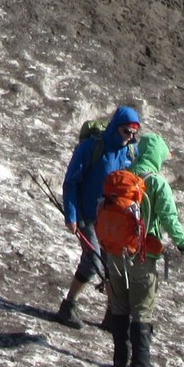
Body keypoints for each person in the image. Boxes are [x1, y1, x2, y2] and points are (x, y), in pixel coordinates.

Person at [97, 132, 184, 367]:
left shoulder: (122, 177)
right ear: (157, 156)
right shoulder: (157, 183)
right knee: (141, 309)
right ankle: (140, 366)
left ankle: (119, 361)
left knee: (119, 306)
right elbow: (169, 219)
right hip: (142, 256)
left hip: (115, 253)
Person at [54, 104, 142, 327]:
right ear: (116, 127)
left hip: (113, 218)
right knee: (93, 261)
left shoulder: (130, 152)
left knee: (112, 263)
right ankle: (68, 306)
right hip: (87, 215)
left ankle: (112, 315)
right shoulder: (91, 147)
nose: (130, 137)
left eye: (134, 133)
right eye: (126, 131)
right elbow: (71, 182)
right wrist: (71, 215)